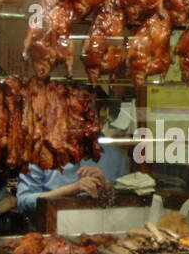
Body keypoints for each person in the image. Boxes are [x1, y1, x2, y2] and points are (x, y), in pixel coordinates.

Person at [14, 95, 132, 223]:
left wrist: (106, 187)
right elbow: (24, 201)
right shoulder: (42, 151)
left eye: (99, 116)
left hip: (103, 234)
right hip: (52, 236)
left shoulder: (115, 155)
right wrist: (72, 189)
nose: (95, 123)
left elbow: (129, 201)